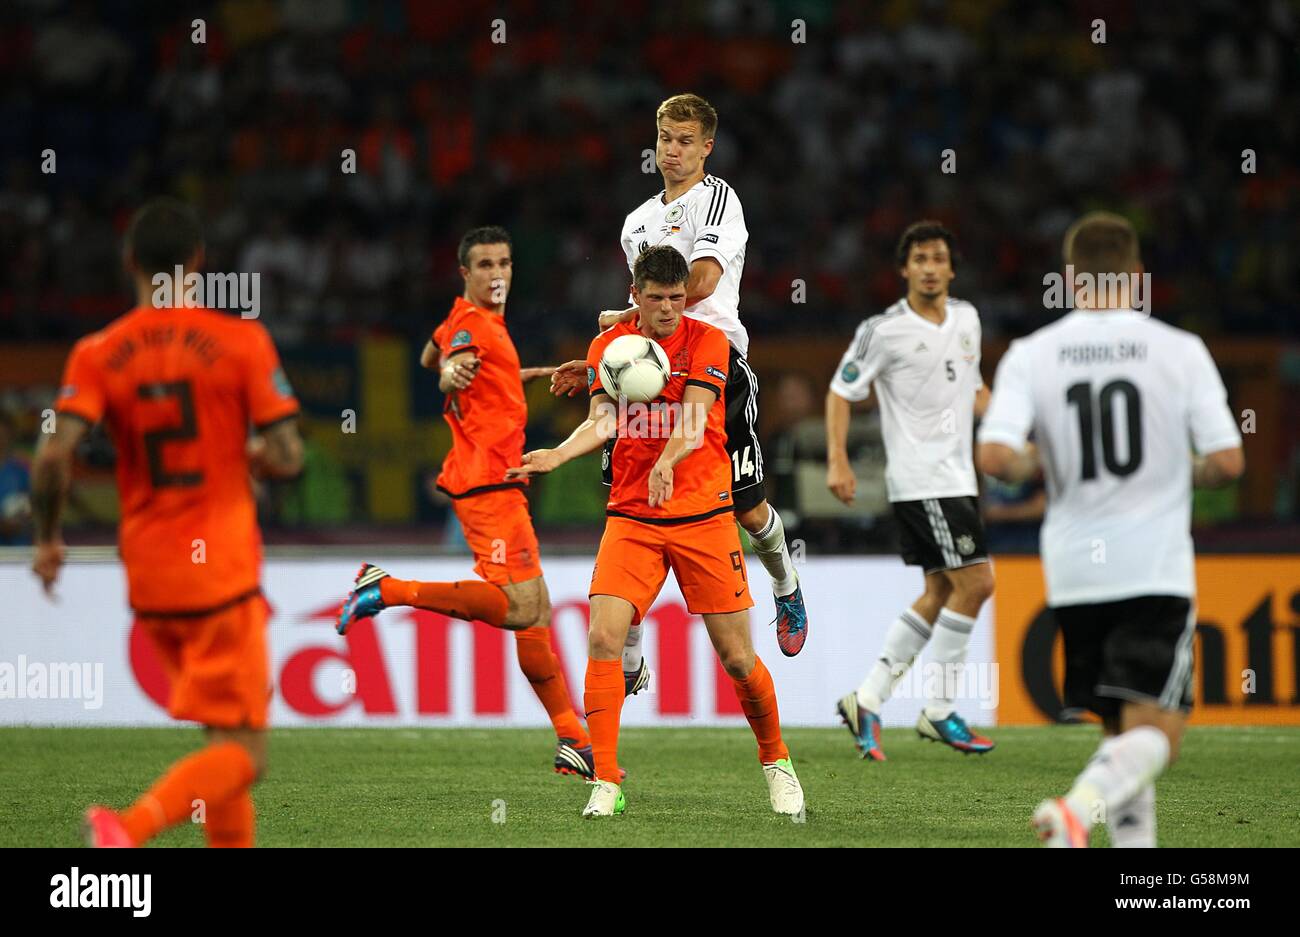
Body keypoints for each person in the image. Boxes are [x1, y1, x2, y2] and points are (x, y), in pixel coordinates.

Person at [32, 198, 305, 847]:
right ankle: (125, 827)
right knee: (248, 753)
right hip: (223, 574)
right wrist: (259, 458)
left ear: (130, 262)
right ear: (199, 263)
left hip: (150, 576)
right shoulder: (241, 341)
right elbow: (290, 453)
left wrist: (47, 538)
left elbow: (51, 456)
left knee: (221, 740)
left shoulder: (98, 351)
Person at [977, 211, 1244, 846]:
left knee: (1120, 732)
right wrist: (1177, 464)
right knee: (1159, 735)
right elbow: (1229, 462)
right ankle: (1077, 809)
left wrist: (1043, 457)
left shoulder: (1033, 353)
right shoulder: (1179, 350)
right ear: (1138, 277)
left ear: (1070, 281)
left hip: (1074, 572)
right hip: (1152, 568)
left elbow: (995, 458)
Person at [509, 245, 804, 818]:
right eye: (657, 298)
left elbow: (695, 419)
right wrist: (557, 455)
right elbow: (602, 420)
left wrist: (668, 460)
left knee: (738, 658)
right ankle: (608, 780)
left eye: (676, 297)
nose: (669, 309)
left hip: (703, 516)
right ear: (634, 298)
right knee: (601, 639)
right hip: (633, 517)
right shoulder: (608, 348)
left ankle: (778, 762)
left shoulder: (707, 341)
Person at [550, 93, 808, 675]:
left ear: (707, 147)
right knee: (630, 499)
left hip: (715, 364)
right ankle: (632, 650)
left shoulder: (718, 200)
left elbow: (704, 279)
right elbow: (648, 303)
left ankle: (786, 584)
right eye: (666, 138)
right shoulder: (636, 223)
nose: (673, 150)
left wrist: (623, 319)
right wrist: (600, 361)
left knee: (745, 506)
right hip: (650, 372)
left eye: (686, 141)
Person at [336, 227, 597, 779]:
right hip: (489, 483)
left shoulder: (469, 318)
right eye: (484, 265)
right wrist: (452, 375)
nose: (497, 273)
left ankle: (572, 738)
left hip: (494, 481)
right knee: (525, 608)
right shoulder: (473, 325)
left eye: (504, 262)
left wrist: (525, 374)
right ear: (465, 272)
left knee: (536, 615)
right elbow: (450, 365)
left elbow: (434, 353)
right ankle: (385, 588)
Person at [826, 221, 996, 760]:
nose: (929, 267)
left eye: (938, 258)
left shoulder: (968, 319)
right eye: (919, 258)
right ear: (904, 269)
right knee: (978, 583)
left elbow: (974, 391)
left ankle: (867, 698)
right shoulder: (883, 330)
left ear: (951, 267)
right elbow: (840, 390)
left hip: (959, 477)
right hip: (923, 478)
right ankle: (941, 710)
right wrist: (838, 459)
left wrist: (1017, 430)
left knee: (942, 591)